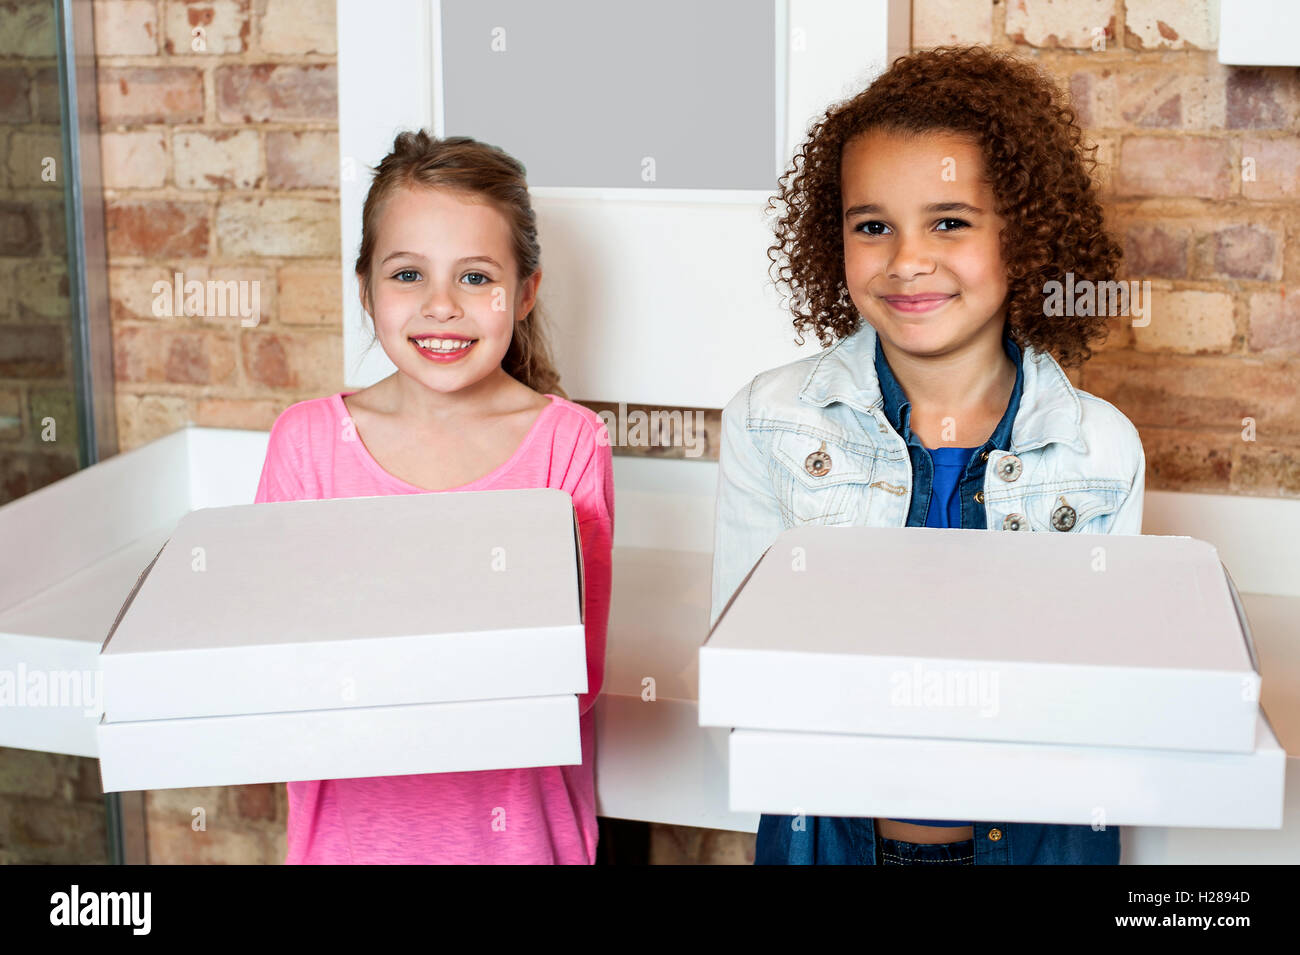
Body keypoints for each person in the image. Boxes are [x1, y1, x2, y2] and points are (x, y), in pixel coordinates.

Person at [711, 45, 1145, 865]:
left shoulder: (1099, 452)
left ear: (1023, 234)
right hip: (828, 846)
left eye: (949, 221)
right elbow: (747, 683)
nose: (908, 259)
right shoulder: (770, 423)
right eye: (873, 226)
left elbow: (1099, 703)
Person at [254, 130, 614, 864]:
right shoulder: (307, 444)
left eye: (476, 277)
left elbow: (576, 681)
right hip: (349, 848)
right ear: (365, 288)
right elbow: (274, 669)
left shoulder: (570, 442)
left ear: (525, 293)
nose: (442, 306)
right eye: (408, 274)